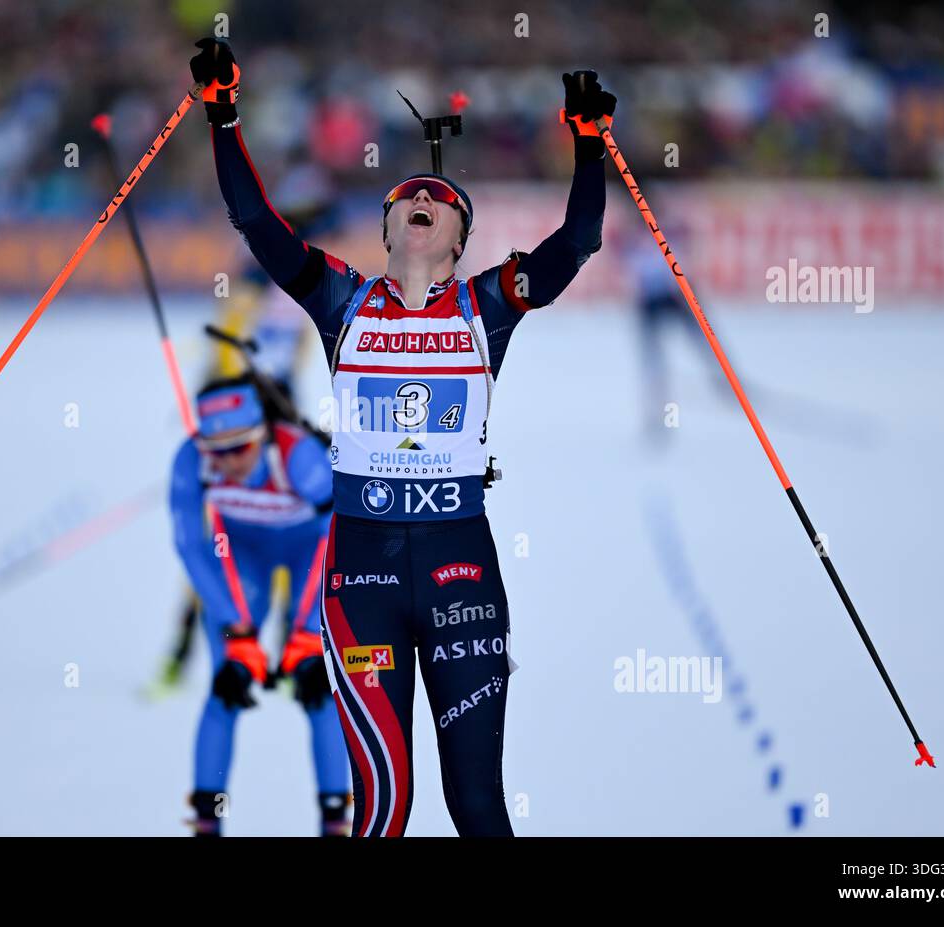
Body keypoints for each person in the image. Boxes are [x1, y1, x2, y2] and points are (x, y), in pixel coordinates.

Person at [190, 38, 612, 836]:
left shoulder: (487, 305)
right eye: (405, 196)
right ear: (386, 228)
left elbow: (579, 241)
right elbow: (255, 219)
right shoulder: (341, 300)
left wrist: (589, 144)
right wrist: (223, 112)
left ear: (458, 238)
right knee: (383, 806)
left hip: (461, 571)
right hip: (361, 578)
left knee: (479, 805)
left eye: (439, 198)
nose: (421, 197)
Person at [170, 375, 350, 836]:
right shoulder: (191, 461)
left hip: (311, 552)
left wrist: (309, 630)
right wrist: (238, 631)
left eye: (240, 448)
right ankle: (207, 820)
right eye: (218, 450)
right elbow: (191, 547)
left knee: (316, 682)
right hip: (241, 556)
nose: (228, 461)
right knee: (227, 681)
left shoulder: (298, 457)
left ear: (262, 433)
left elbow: (337, 536)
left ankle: (335, 818)